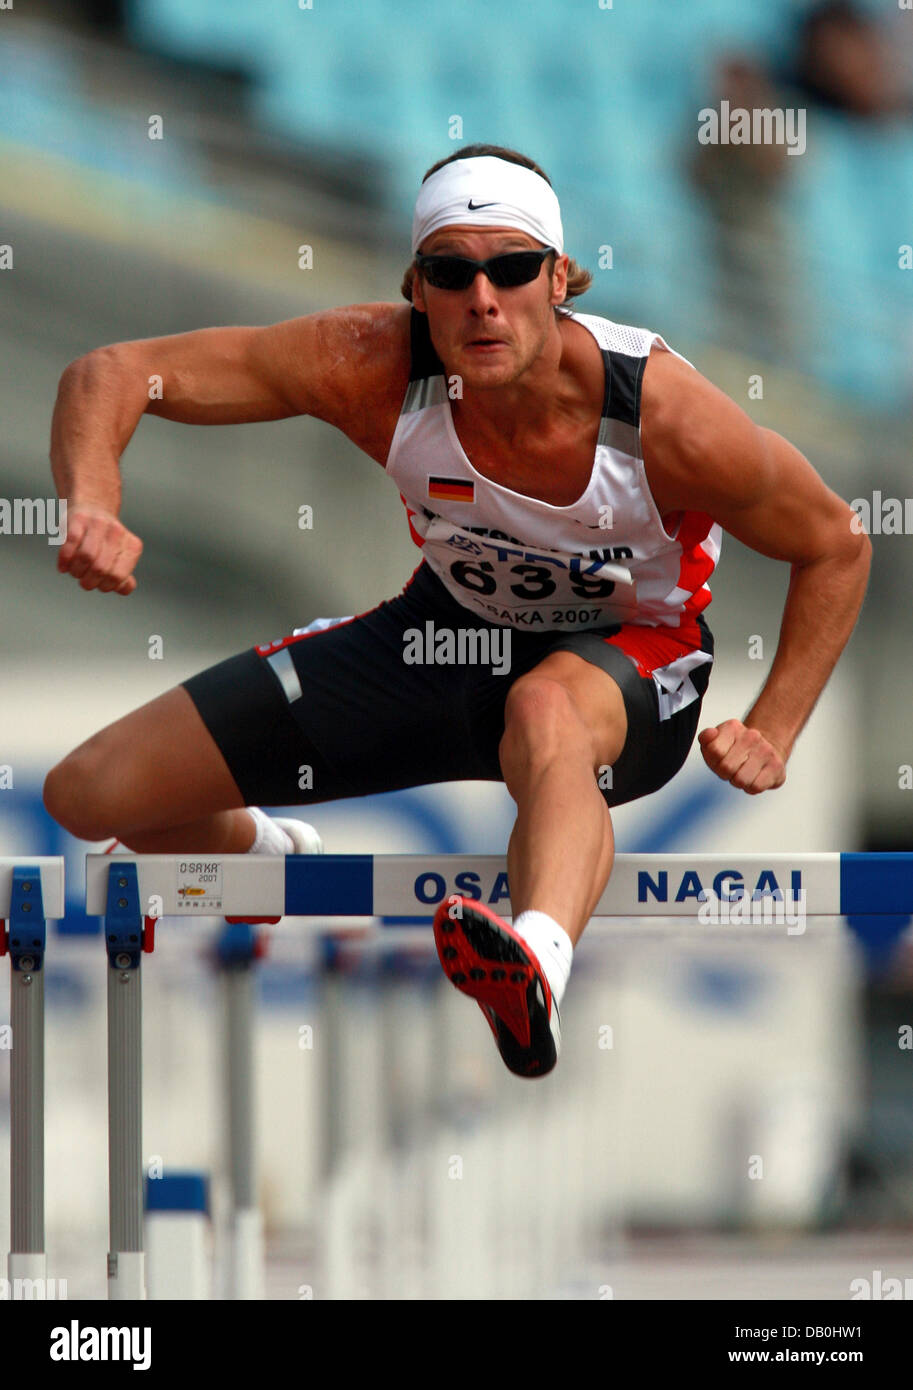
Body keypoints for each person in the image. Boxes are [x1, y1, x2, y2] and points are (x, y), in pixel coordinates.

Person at [43, 143, 871, 1078]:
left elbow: (836, 543)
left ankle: (534, 970)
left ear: (558, 280)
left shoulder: (665, 419)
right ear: (416, 288)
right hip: (440, 639)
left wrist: (776, 724)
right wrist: (94, 503)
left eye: (511, 268)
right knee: (90, 794)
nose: (482, 298)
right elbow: (112, 372)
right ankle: (270, 853)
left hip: (630, 660)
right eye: (451, 271)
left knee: (546, 709)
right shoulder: (366, 364)